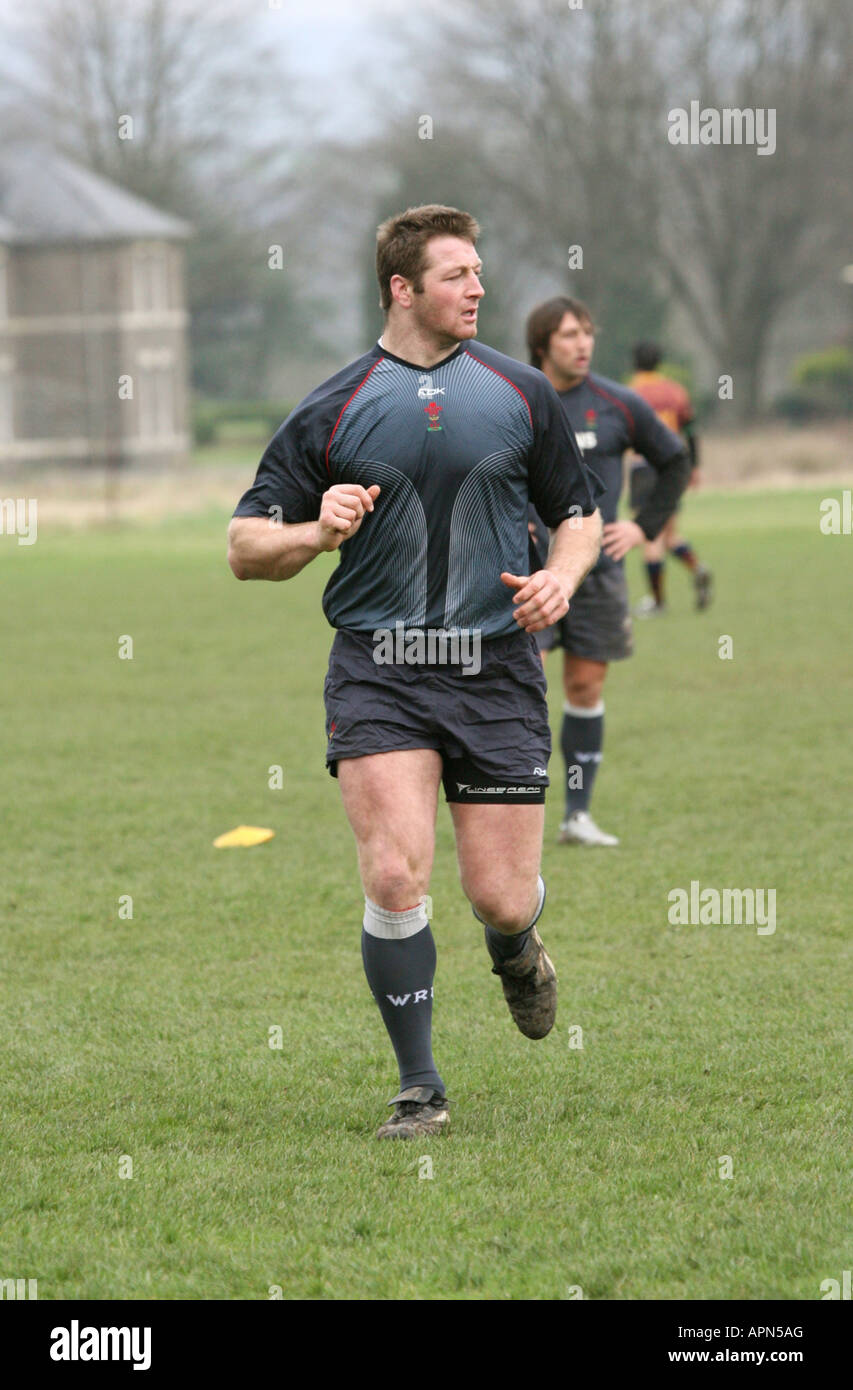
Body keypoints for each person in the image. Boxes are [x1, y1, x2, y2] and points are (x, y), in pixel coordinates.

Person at [227, 207, 602, 1141]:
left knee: (498, 896)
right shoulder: (333, 407)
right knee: (395, 875)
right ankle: (419, 1086)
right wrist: (317, 529)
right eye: (455, 276)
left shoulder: (520, 394)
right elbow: (243, 546)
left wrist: (560, 575)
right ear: (402, 289)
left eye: (479, 273)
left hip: (494, 669)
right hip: (380, 671)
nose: (477, 289)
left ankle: (516, 949)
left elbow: (578, 513)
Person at [526, 297, 691, 847]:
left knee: (585, 683)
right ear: (543, 344)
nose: (583, 343)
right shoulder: (516, 399)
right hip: (528, 573)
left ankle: (577, 815)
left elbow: (675, 460)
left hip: (598, 573)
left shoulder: (619, 403)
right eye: (570, 334)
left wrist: (645, 528)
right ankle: (515, 812)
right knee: (525, 685)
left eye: (588, 333)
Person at [628, 341, 713, 615]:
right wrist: (695, 466)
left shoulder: (631, 393)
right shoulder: (676, 391)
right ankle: (697, 567)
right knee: (669, 534)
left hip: (643, 467)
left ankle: (658, 602)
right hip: (672, 467)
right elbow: (690, 430)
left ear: (636, 363)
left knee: (649, 536)